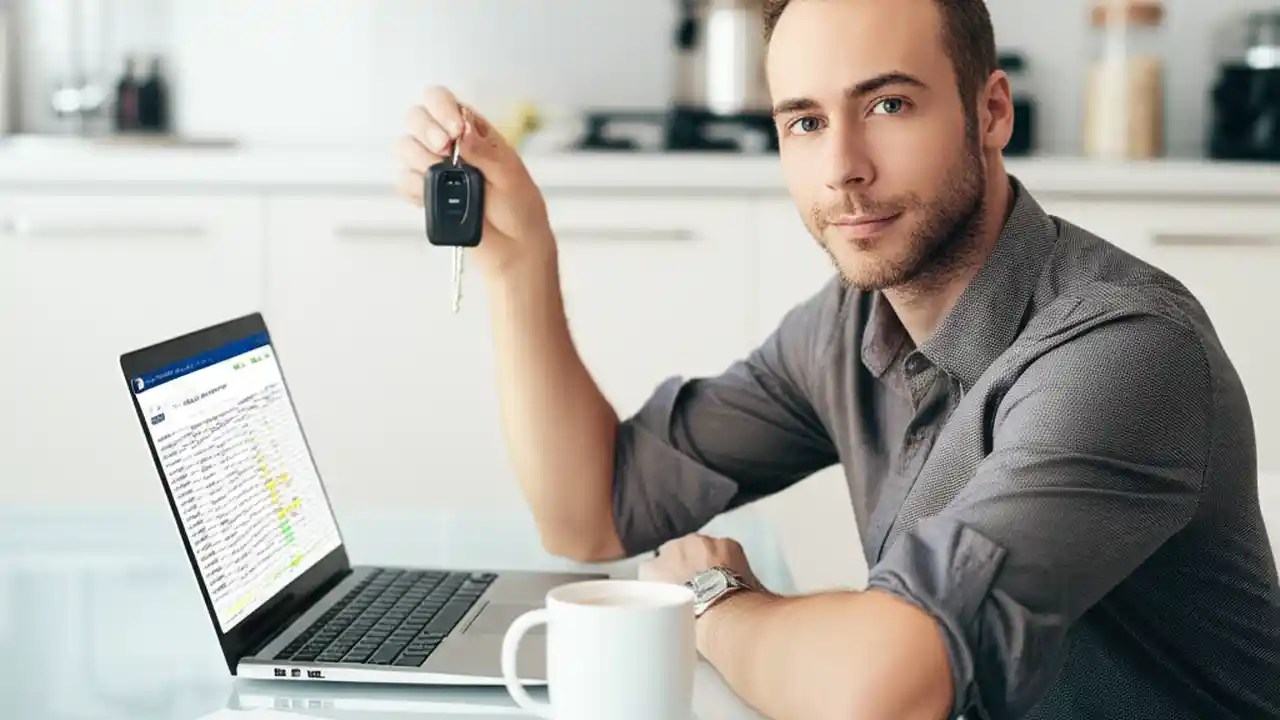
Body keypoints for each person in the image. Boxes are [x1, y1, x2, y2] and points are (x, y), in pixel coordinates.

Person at [396, 0, 1280, 717]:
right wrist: (518, 259)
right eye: (806, 122)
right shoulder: (849, 323)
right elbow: (592, 509)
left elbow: (883, 689)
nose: (842, 169)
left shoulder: (1124, 353)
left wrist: (715, 599)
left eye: (888, 105)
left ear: (991, 112)